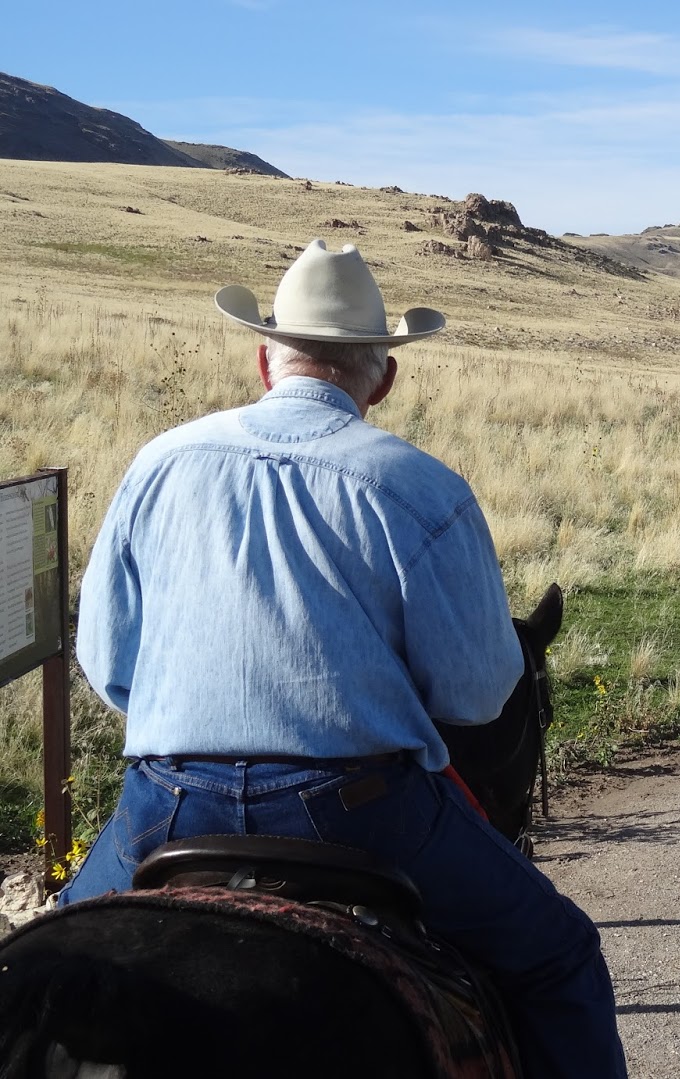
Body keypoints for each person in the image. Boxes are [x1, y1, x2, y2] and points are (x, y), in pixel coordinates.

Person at [63, 240, 627, 1077]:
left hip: (168, 805)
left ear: (265, 360)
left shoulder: (158, 464)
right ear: (384, 377)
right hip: (365, 812)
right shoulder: (421, 487)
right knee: (559, 956)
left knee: (45, 958)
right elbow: (476, 694)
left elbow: (108, 663)